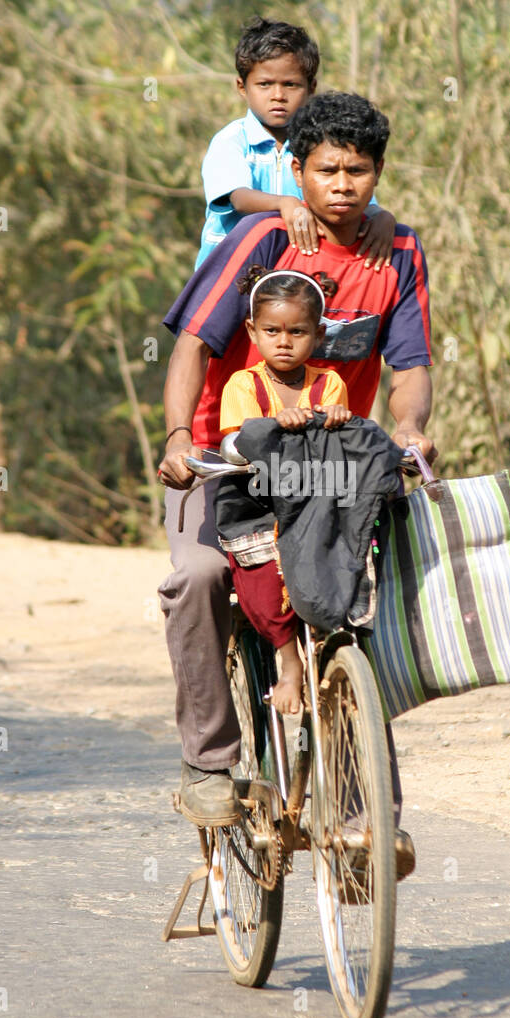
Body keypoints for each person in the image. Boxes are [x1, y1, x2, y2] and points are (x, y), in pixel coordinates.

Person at [159, 91, 435, 844]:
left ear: (378, 173)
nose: (344, 185)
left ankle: (361, 816)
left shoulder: (399, 250)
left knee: (356, 605)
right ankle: (210, 764)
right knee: (202, 577)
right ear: (297, 169)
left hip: (327, 463)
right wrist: (181, 436)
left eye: (359, 170)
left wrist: (409, 430)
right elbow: (193, 343)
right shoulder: (262, 237)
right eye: (327, 169)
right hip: (225, 460)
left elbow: (410, 363)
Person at [219, 265, 351, 717]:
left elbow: (340, 443)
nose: (284, 341)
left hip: (316, 498)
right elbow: (234, 444)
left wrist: (333, 418)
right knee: (264, 586)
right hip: (258, 503)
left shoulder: (329, 384)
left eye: (297, 331)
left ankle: (343, 657)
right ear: (252, 331)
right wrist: (272, 426)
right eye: (272, 330)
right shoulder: (244, 384)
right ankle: (289, 662)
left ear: (317, 334)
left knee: (346, 562)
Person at [196, 15, 395, 271]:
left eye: (290, 85)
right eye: (265, 84)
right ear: (242, 87)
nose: (278, 96)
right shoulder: (231, 141)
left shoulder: (320, 147)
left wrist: (383, 217)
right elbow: (238, 198)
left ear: (311, 87)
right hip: (228, 275)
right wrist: (284, 203)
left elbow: (359, 202)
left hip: (291, 281)